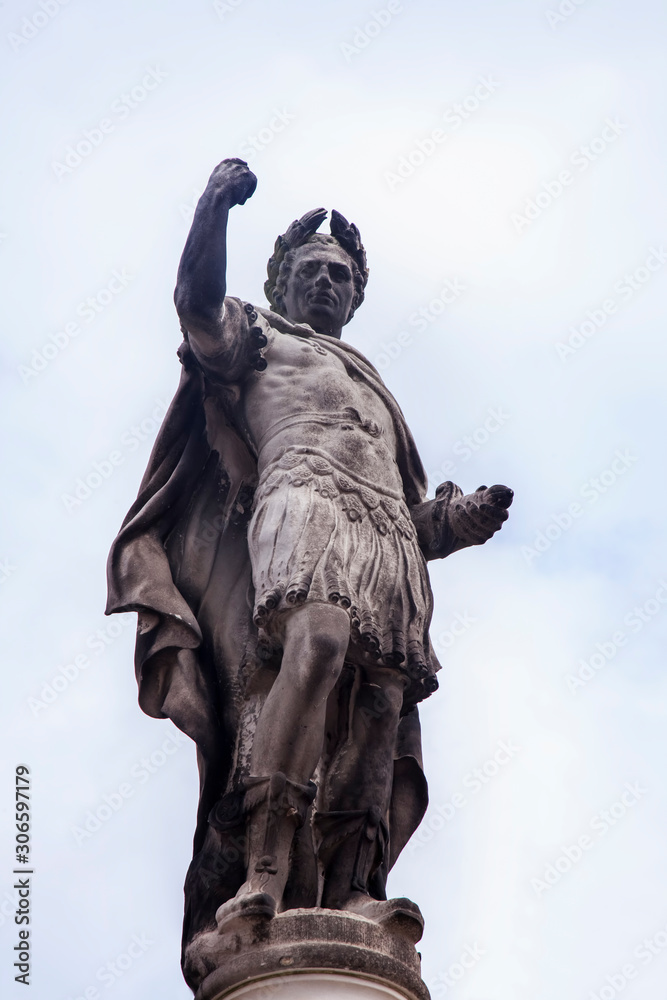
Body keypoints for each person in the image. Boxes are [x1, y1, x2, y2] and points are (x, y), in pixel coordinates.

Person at [106, 158, 512, 987]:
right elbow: (194, 307)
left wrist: (458, 521)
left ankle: (353, 886)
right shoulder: (257, 337)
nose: (325, 282)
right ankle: (262, 866)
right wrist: (213, 209)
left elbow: (419, 514)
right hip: (302, 498)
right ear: (281, 282)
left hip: (386, 529)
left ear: (354, 296)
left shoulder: (375, 386)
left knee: (378, 699)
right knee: (317, 643)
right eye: (310, 270)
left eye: (339, 275)